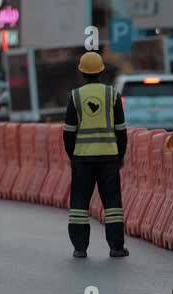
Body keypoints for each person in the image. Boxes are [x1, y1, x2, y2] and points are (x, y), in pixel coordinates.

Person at [63, 52, 129, 259]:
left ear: (82, 72)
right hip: (109, 158)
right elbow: (121, 131)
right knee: (112, 204)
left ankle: (80, 248)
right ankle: (116, 247)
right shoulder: (112, 95)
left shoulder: (75, 97)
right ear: (101, 71)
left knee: (79, 204)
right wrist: (120, 155)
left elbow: (68, 132)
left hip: (82, 159)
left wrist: (73, 155)